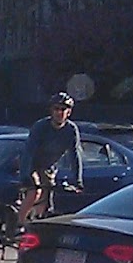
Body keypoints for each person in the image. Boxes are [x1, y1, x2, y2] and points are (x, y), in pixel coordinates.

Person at [17, 92, 84, 223]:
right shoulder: (41, 127)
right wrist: (25, 175)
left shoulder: (71, 129)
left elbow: (74, 155)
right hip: (31, 164)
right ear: (51, 111)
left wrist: (78, 180)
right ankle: (18, 224)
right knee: (35, 192)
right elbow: (28, 152)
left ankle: (36, 224)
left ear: (69, 112)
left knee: (46, 200)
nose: (59, 112)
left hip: (48, 167)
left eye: (63, 109)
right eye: (56, 109)